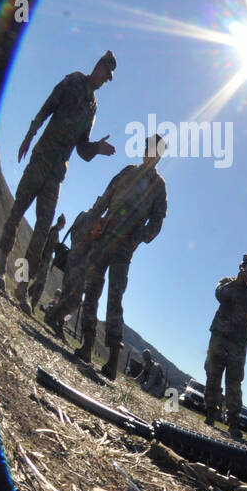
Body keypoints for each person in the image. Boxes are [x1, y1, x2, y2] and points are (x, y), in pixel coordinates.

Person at [0, 51, 118, 303]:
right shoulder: (73, 81)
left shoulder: (93, 109)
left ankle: (21, 287)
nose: (104, 82)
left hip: (56, 173)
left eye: (108, 80)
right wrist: (30, 134)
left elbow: (82, 149)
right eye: (105, 75)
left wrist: (96, 148)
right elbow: (48, 106)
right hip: (41, 158)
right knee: (17, 211)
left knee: (42, 231)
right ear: (98, 67)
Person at [44, 134, 168, 379]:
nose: (148, 152)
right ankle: (87, 346)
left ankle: (112, 361)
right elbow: (105, 198)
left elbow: (156, 224)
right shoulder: (127, 172)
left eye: (153, 149)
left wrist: (136, 237)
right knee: (92, 292)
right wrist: (93, 221)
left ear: (160, 154)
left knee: (114, 298)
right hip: (103, 239)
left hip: (123, 247)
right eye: (146, 147)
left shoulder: (159, 187)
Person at [203, 254, 247, 439]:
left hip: (238, 343)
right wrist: (237, 283)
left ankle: (233, 422)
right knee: (213, 374)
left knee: (234, 382)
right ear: (241, 266)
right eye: (246, 266)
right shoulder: (227, 281)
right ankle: (210, 415)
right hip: (220, 336)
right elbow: (220, 295)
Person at [20, 213, 66, 311]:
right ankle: (32, 304)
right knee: (40, 283)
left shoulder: (52, 231)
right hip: (44, 259)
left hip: (43, 258)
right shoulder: (54, 232)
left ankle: (27, 294)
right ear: (62, 224)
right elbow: (50, 246)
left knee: (38, 281)